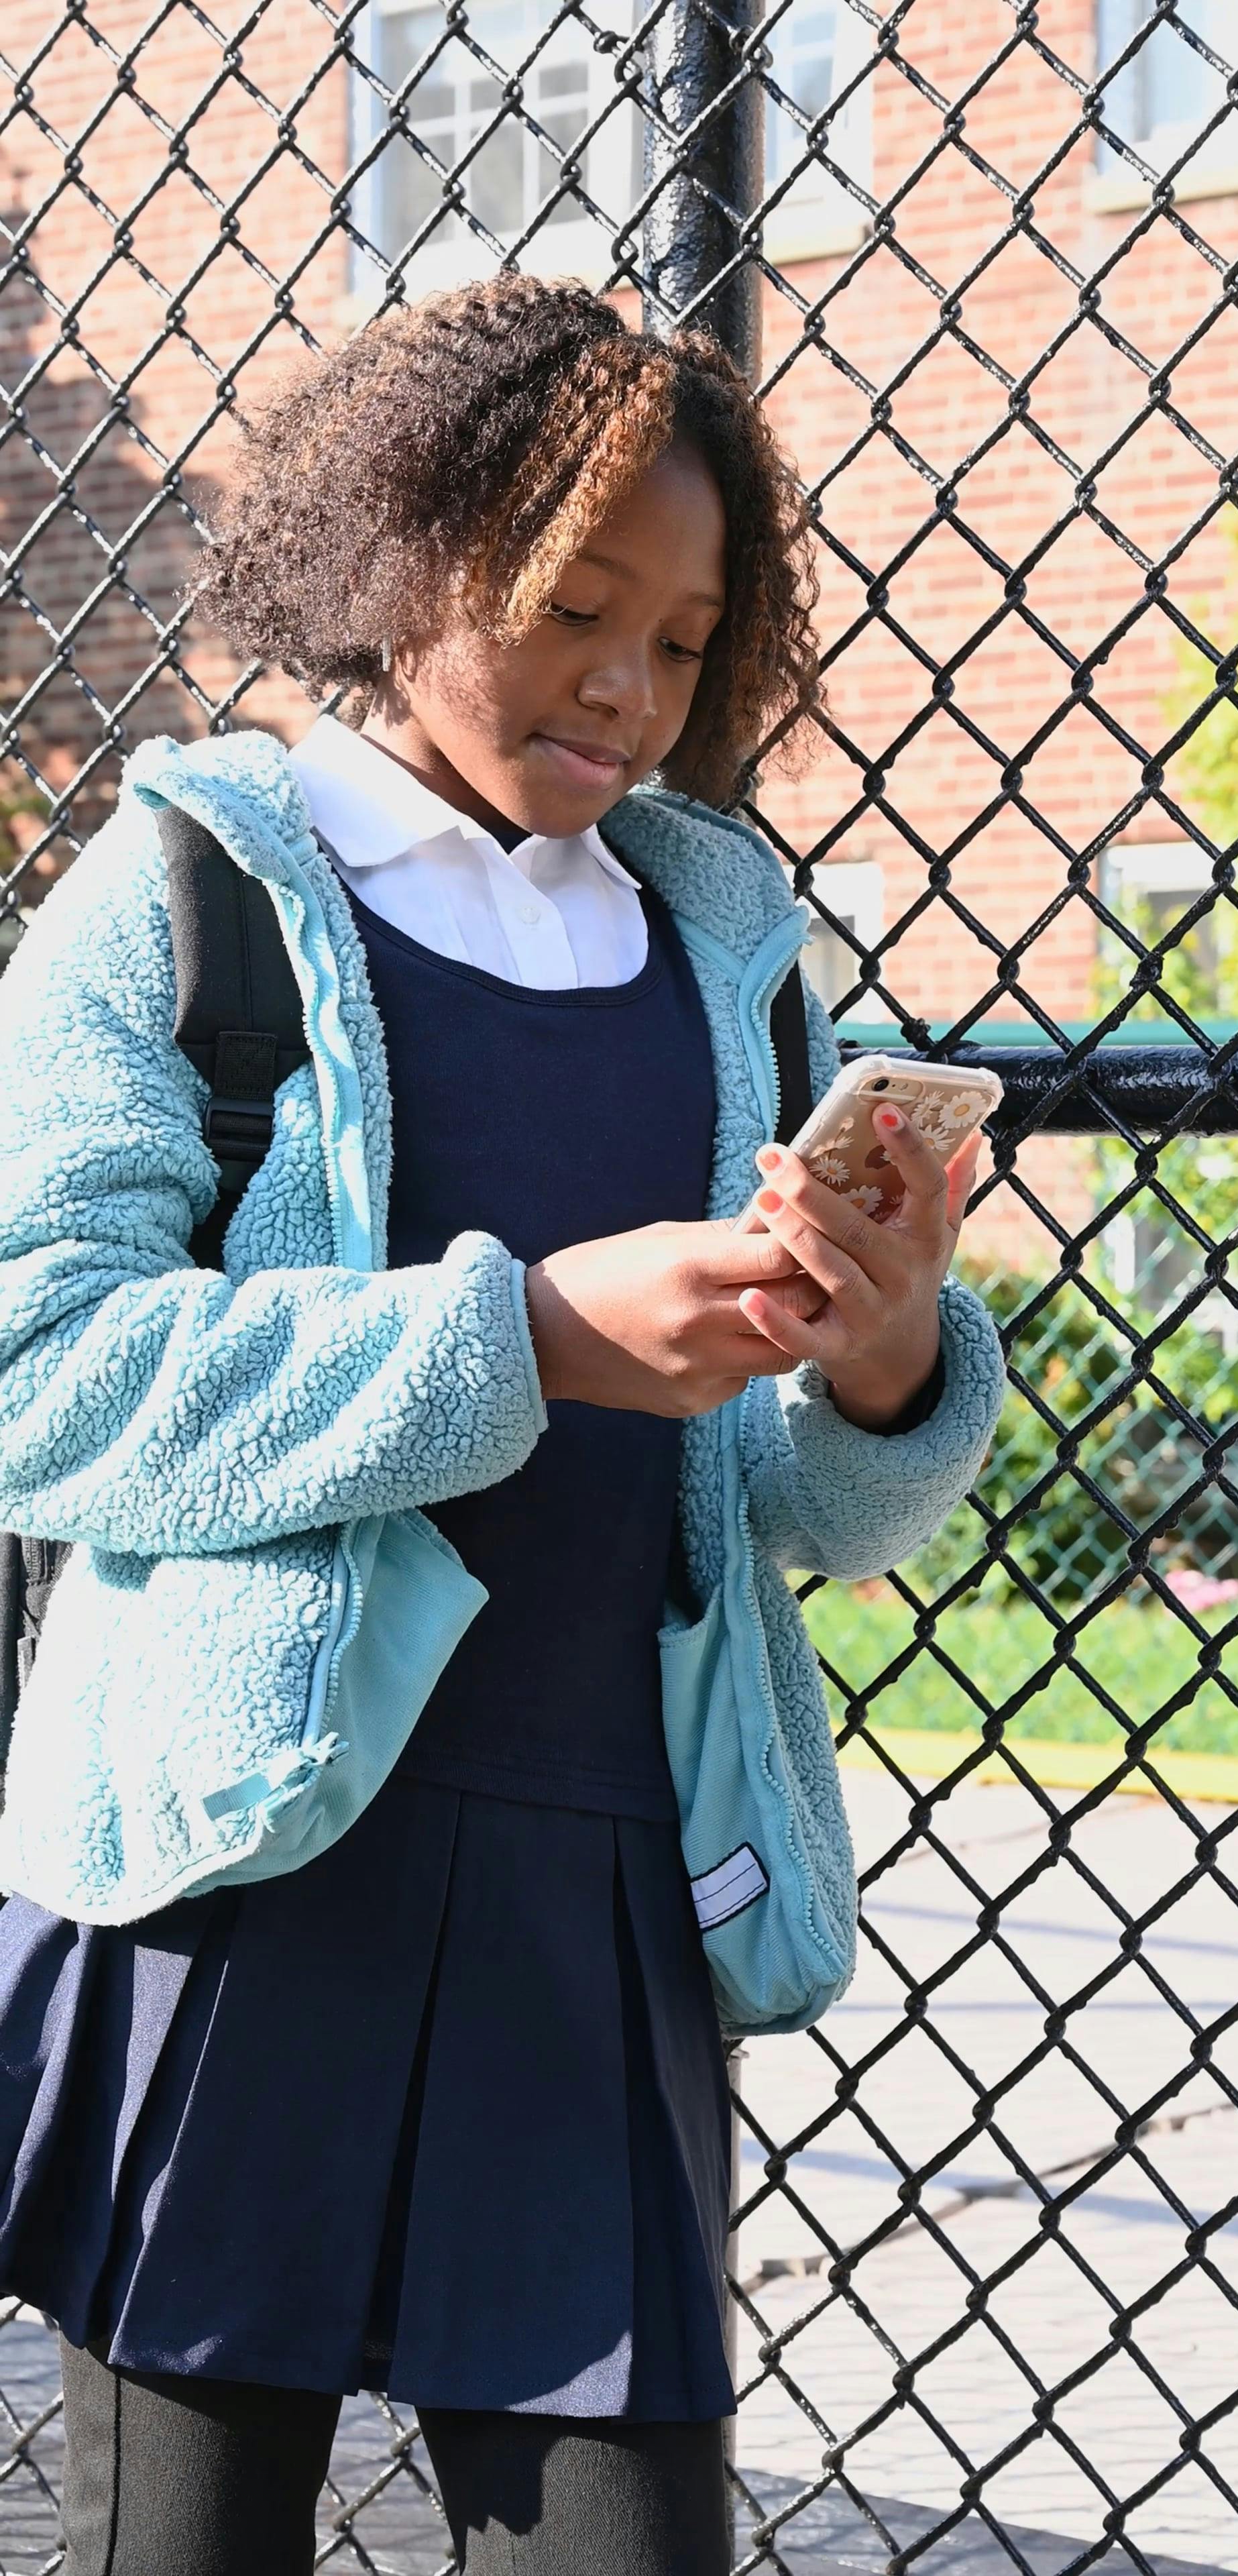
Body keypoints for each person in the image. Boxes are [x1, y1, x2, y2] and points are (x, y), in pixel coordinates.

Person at [0, 276, 1005, 2575]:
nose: (630, 689)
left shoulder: (715, 944)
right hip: (245, 1870)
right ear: (396, 551)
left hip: (599, 1872)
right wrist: (525, 1338)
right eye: (575, 611)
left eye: (684, 638)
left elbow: (770, 1496)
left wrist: (872, 1361)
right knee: (188, 2542)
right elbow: (35, 1365)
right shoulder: (188, 897)